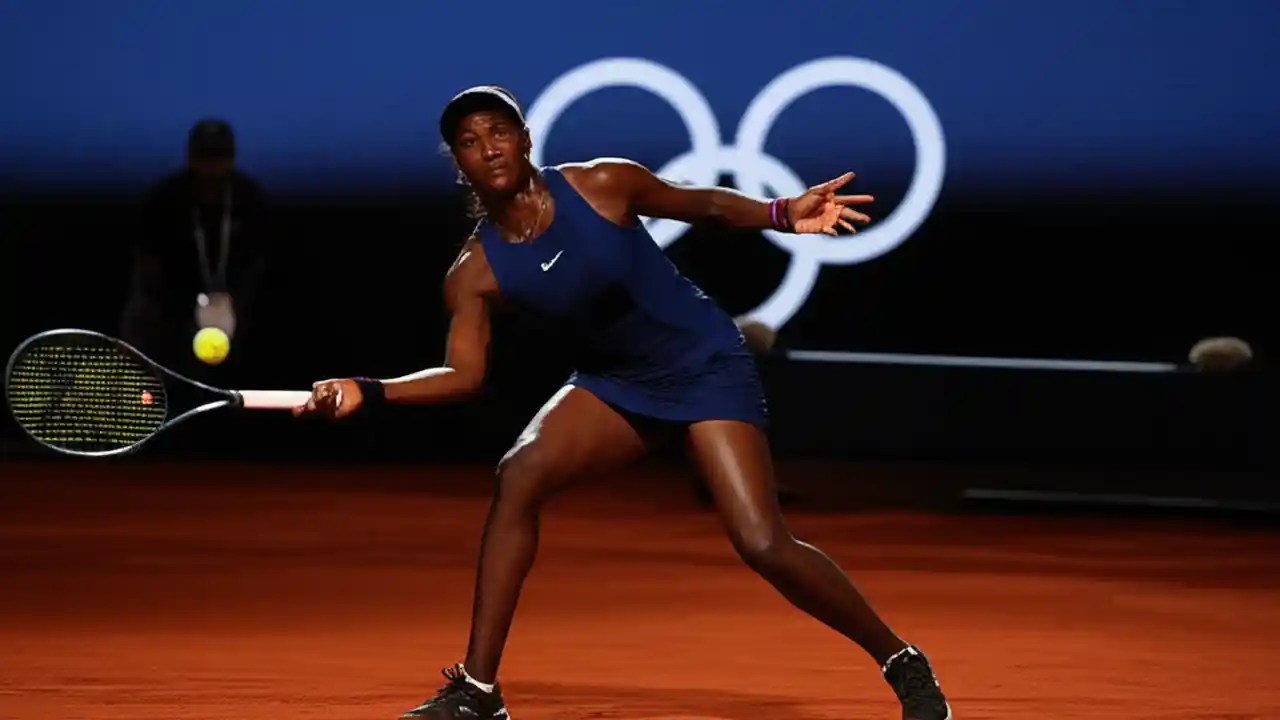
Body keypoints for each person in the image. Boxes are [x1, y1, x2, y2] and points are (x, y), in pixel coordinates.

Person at [295, 86, 951, 720]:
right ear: (458, 164)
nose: (488, 147)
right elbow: (463, 376)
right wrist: (370, 389)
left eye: (499, 132)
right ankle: (478, 691)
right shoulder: (474, 272)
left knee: (761, 543)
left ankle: (902, 661)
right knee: (519, 475)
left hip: (702, 365)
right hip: (615, 383)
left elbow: (706, 207)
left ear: (525, 141)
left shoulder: (602, 184)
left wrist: (782, 212)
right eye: (469, 141)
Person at [120, 118, 270, 387]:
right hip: (173, 323)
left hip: (241, 320)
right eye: (205, 156)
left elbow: (261, 265)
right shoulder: (164, 201)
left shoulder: (250, 200)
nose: (212, 166)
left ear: (231, 158)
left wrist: (236, 303)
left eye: (219, 156)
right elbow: (147, 272)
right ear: (190, 157)